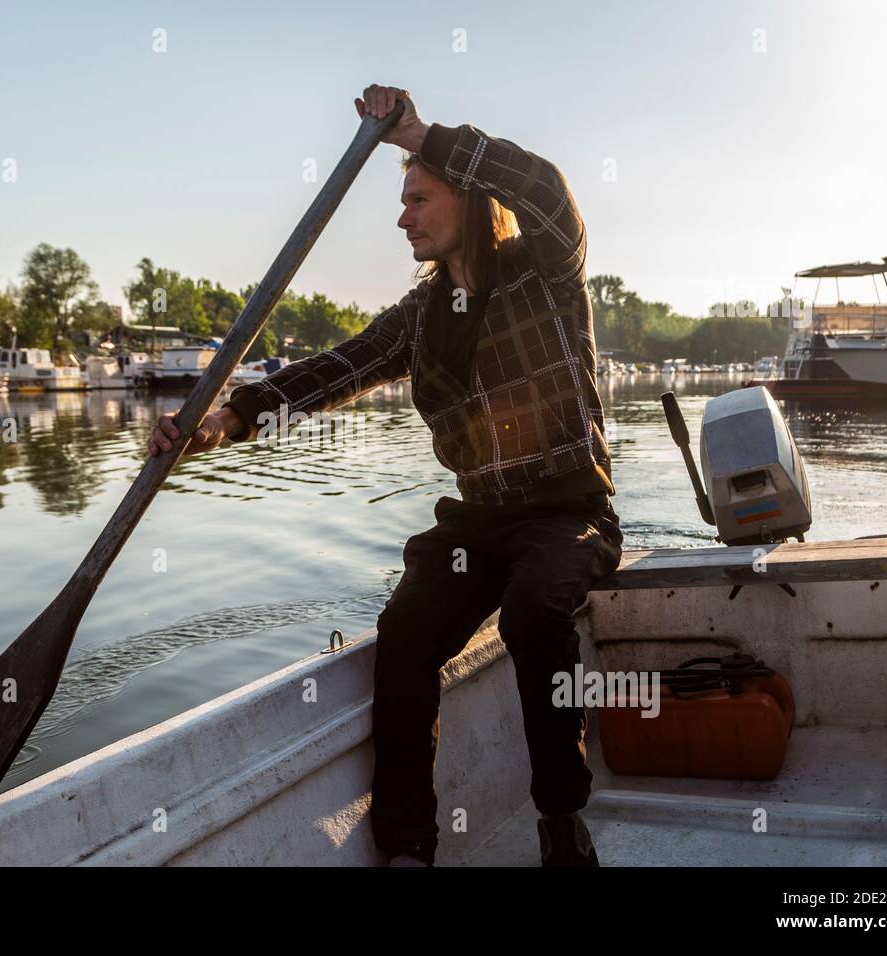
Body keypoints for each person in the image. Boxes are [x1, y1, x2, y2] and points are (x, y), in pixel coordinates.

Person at [148, 84, 623, 867]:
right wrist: (226, 423)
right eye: (401, 200)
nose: (402, 215)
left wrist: (418, 133)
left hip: (567, 512)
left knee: (536, 609)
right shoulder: (422, 313)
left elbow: (543, 190)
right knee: (403, 637)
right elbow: (333, 372)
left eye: (417, 197)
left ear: (467, 200)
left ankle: (561, 823)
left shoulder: (544, 269)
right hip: (478, 524)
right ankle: (407, 847)